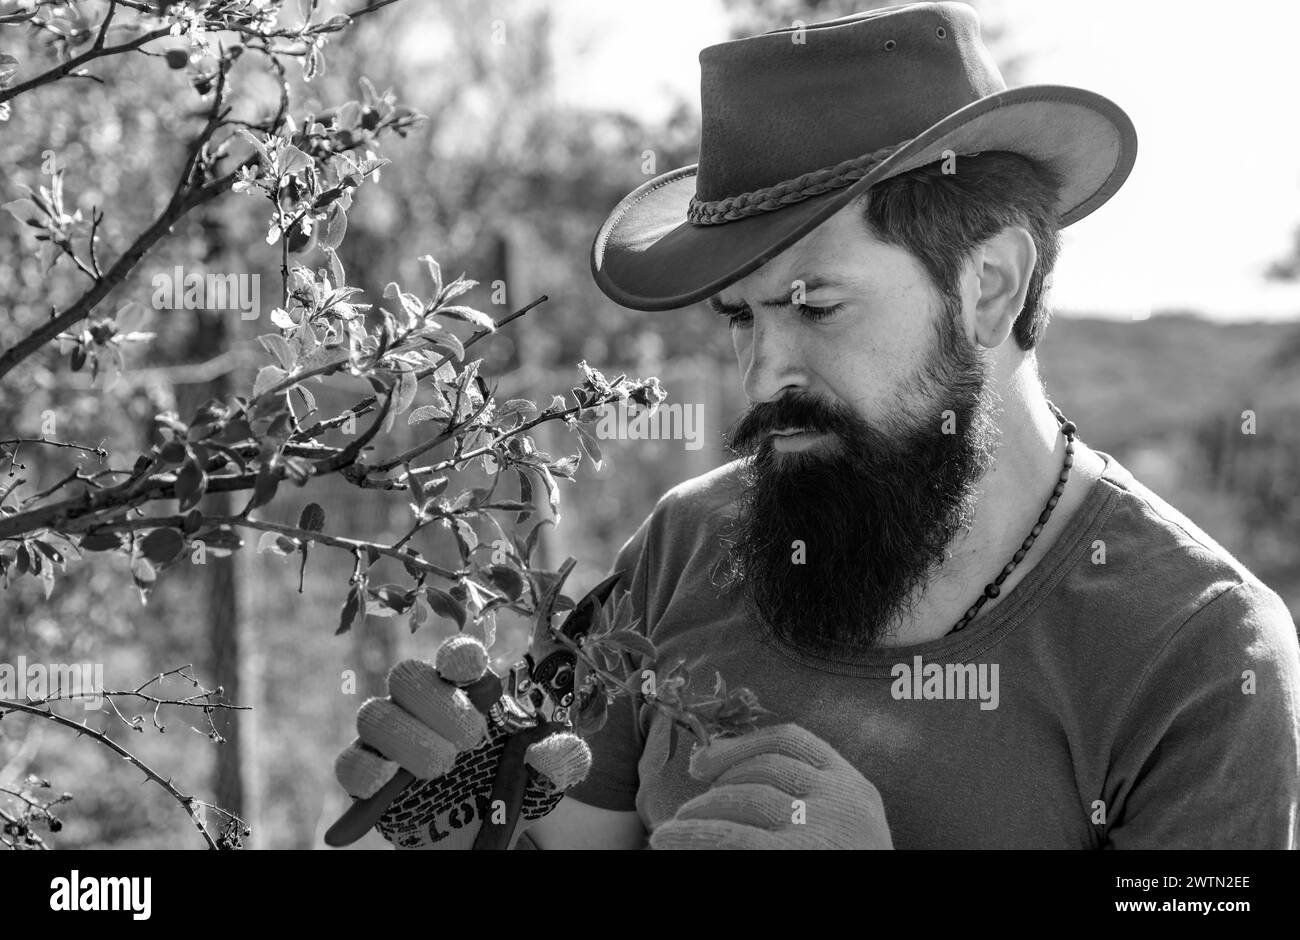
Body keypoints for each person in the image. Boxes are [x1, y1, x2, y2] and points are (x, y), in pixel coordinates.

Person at [333, 2, 1300, 850]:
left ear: (990, 286)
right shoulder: (688, 543)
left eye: (817, 306)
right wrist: (466, 815)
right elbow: (580, 839)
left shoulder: (1199, 648)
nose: (763, 373)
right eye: (745, 316)